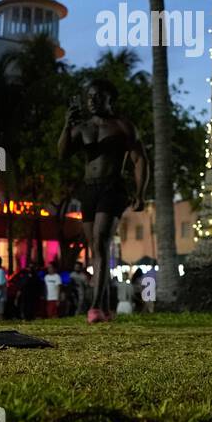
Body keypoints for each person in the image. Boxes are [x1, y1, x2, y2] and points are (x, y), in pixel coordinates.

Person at [58, 79, 147, 324]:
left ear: (110, 98)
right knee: (95, 247)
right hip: (88, 189)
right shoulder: (82, 127)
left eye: (98, 96)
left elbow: (140, 160)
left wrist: (140, 193)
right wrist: (67, 125)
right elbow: (63, 153)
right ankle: (105, 307)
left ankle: (95, 307)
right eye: (89, 97)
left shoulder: (122, 126)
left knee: (99, 242)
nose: (92, 100)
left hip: (113, 187)